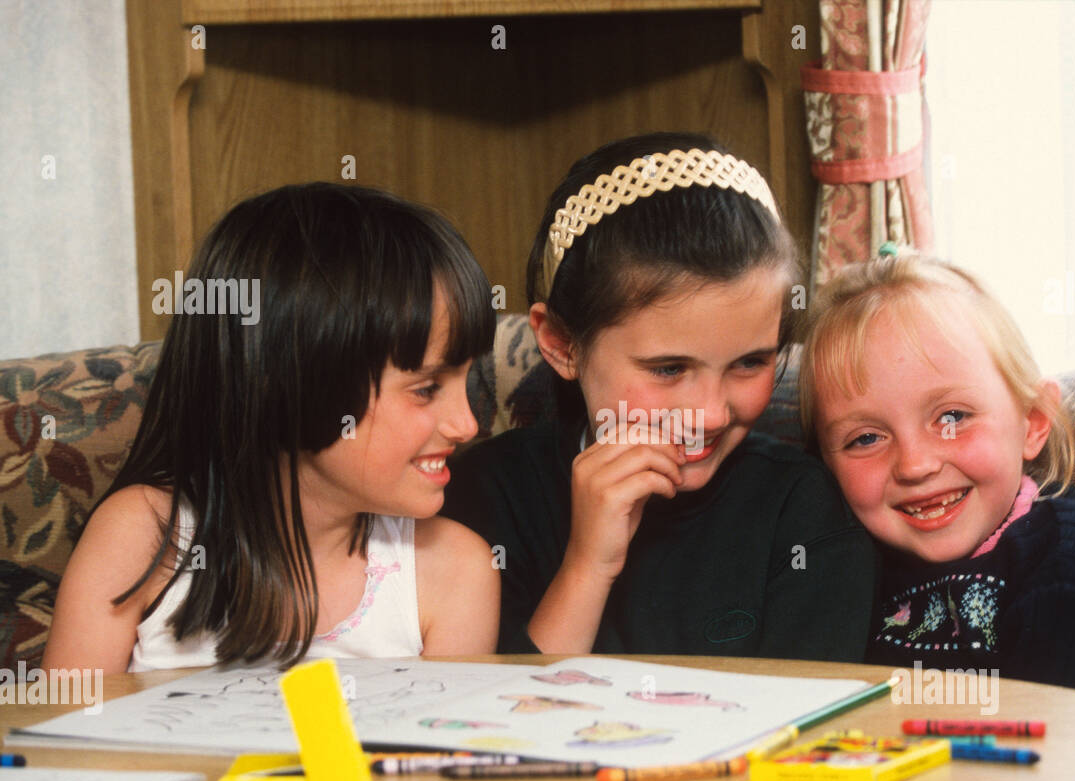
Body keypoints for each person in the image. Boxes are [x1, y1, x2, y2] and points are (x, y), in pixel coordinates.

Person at [440, 132, 877, 658]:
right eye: (668, 368)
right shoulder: (484, 494)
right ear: (561, 343)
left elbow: (814, 724)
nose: (710, 413)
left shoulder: (806, 509)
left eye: (751, 363)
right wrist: (588, 566)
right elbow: (496, 720)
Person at [43, 183, 499, 673]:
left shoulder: (455, 571)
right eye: (426, 388)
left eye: (467, 379)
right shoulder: (141, 535)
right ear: (290, 384)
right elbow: (62, 739)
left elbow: (445, 748)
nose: (467, 424)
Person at [800, 249, 1075, 699]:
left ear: (1033, 421)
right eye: (865, 439)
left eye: (953, 416)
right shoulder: (836, 563)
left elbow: (1064, 748)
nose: (915, 465)